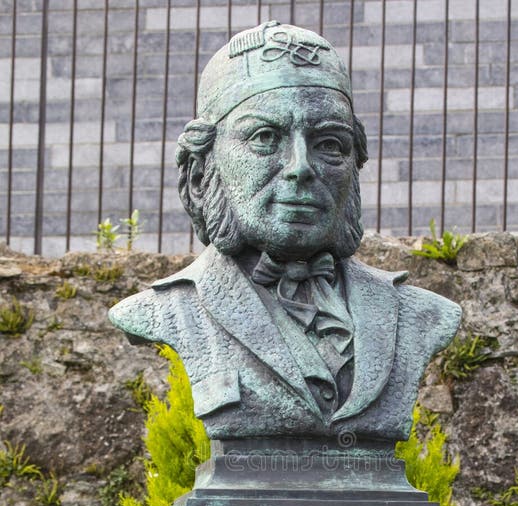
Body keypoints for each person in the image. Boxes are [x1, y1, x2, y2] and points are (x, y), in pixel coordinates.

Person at [109, 21, 461, 443]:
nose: (300, 167)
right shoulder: (168, 312)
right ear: (201, 173)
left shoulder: (422, 315)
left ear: (354, 164)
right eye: (264, 137)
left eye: (329, 143)